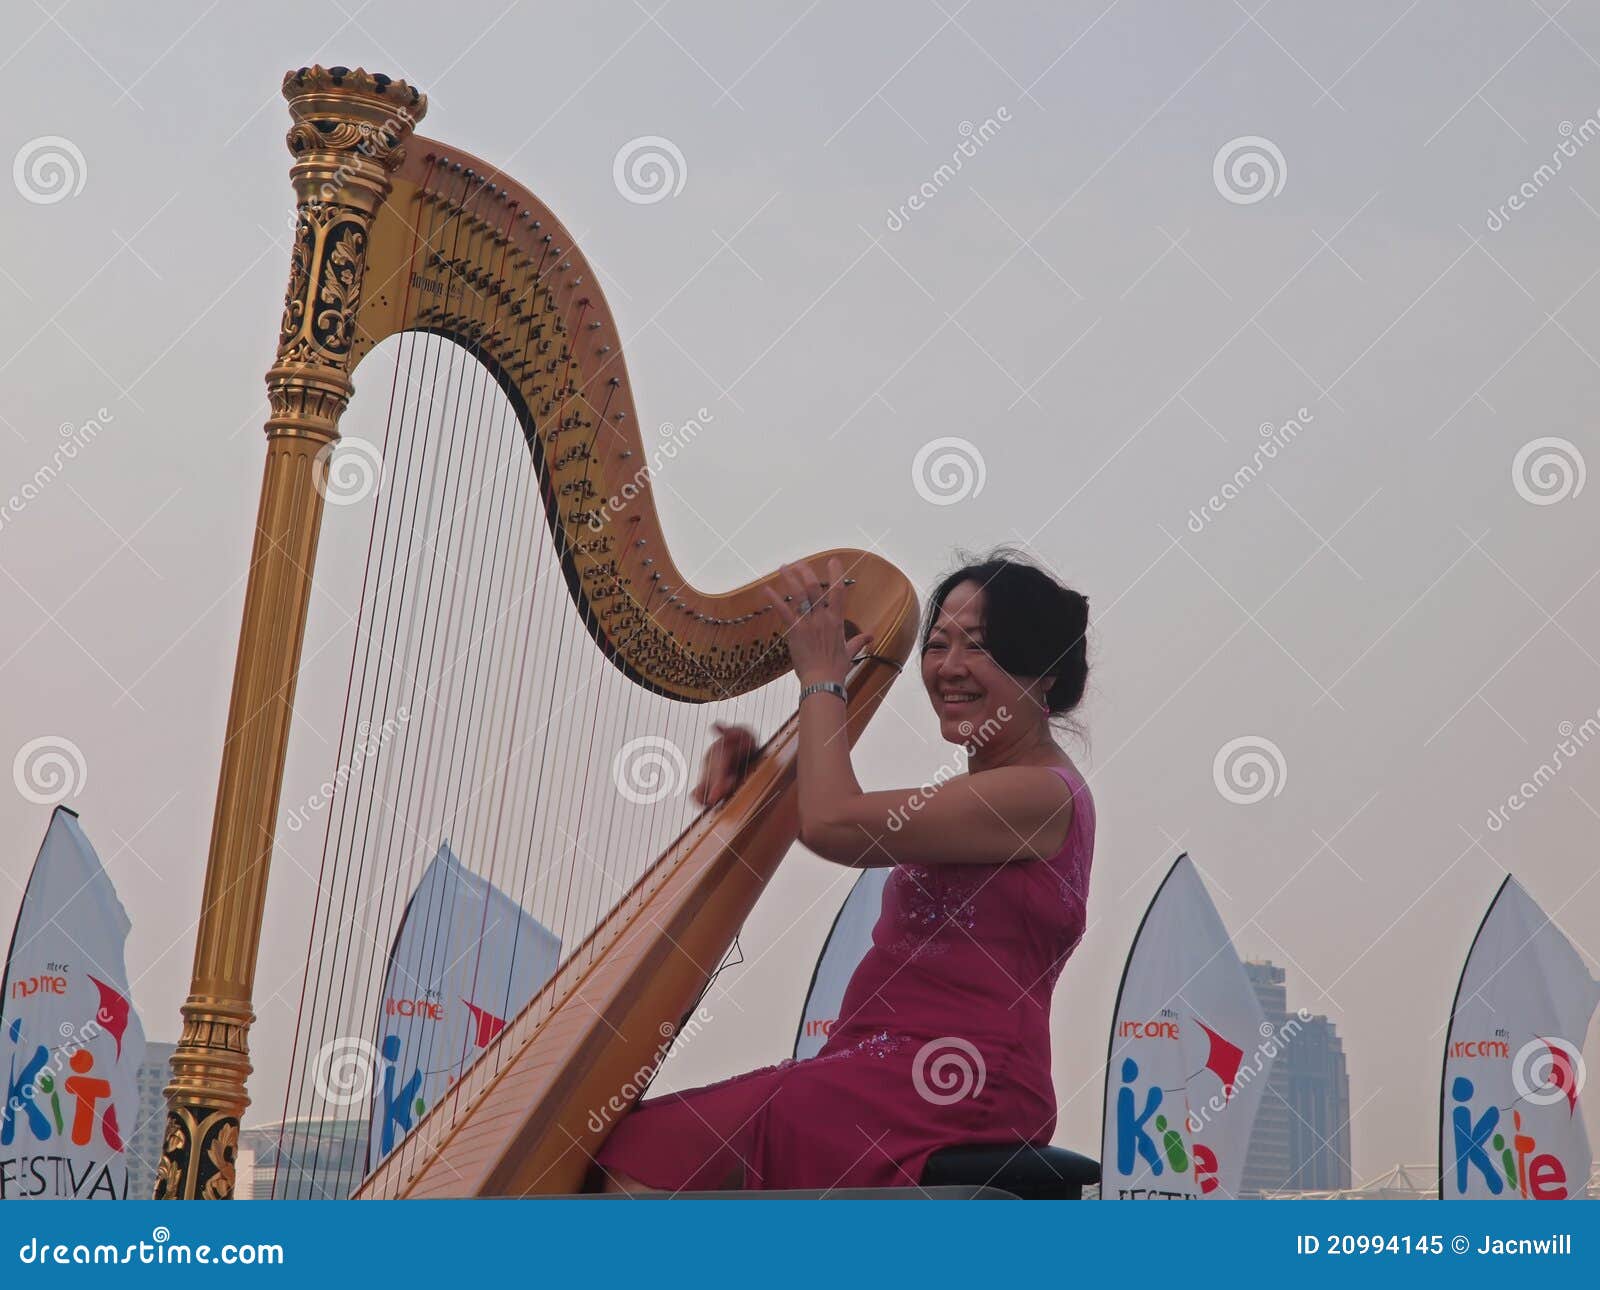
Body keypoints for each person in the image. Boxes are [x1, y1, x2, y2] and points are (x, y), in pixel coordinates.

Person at [594, 549, 1095, 1193]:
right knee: (636, 1147)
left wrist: (822, 679)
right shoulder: (996, 793)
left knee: (638, 1158)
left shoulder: (1040, 795)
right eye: (937, 644)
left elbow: (834, 823)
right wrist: (762, 776)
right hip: (881, 1070)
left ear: (1045, 672)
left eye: (978, 646)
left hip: (953, 1080)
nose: (949, 667)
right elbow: (831, 815)